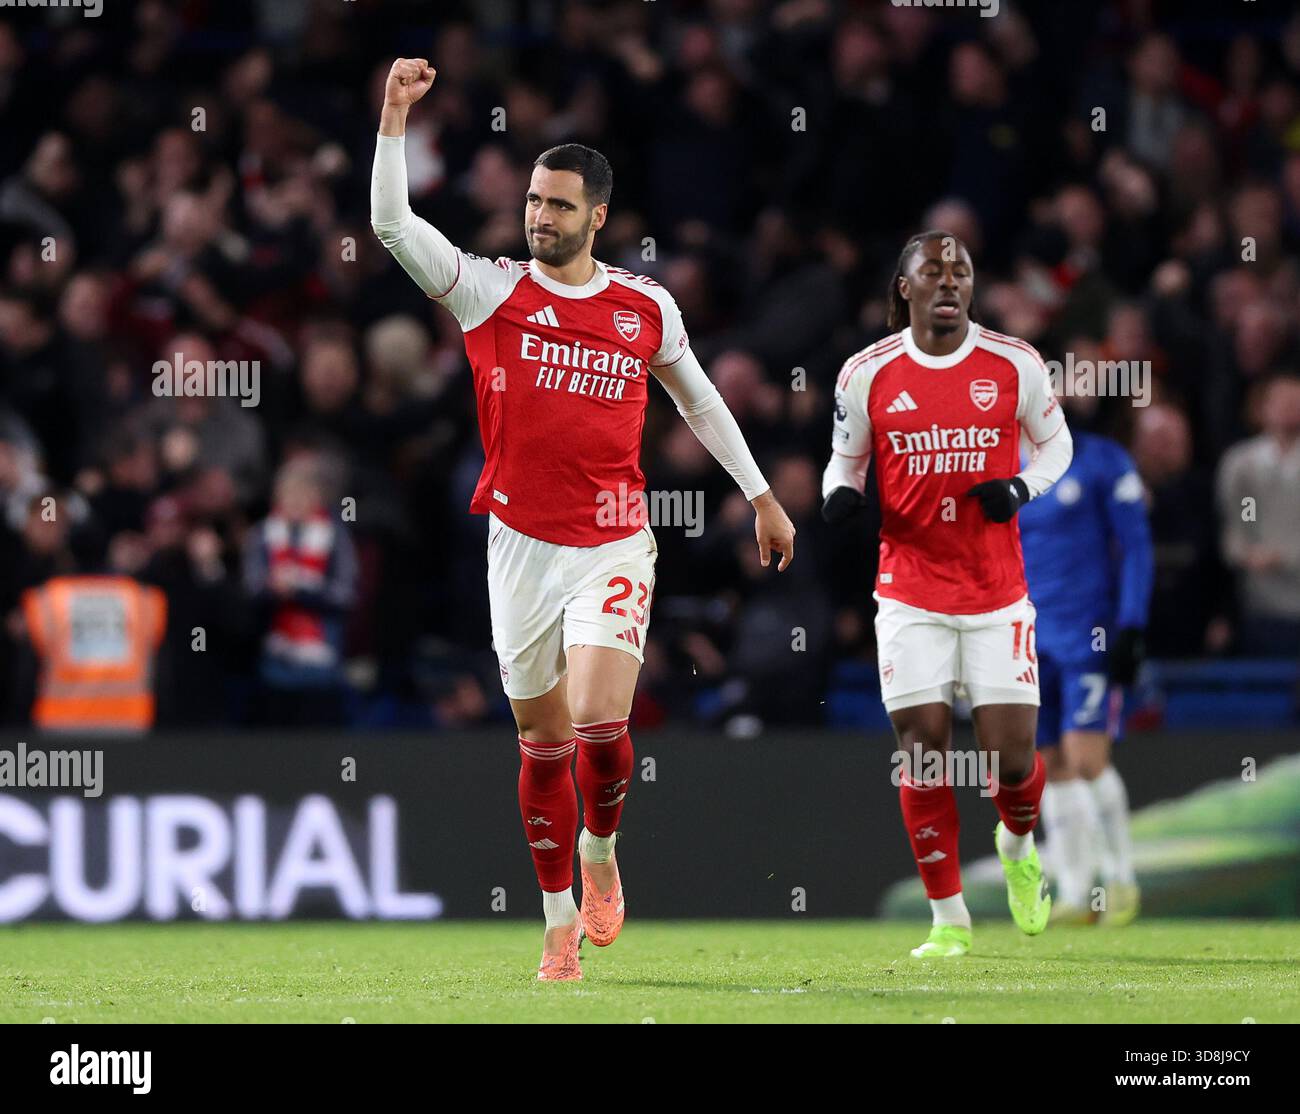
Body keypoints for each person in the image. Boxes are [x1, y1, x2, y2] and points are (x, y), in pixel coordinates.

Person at [370, 59, 795, 980]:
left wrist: (760, 494)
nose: (540, 218)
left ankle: (601, 851)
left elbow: (700, 403)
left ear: (598, 217)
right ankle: (557, 913)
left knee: (604, 729)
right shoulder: (489, 292)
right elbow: (392, 224)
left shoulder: (645, 308)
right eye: (533, 201)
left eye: (560, 207)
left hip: (612, 538)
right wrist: (396, 118)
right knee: (543, 743)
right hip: (518, 548)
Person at [822, 230, 1073, 958]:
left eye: (960, 270)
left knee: (1012, 762)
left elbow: (1057, 445)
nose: (949, 281)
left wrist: (1021, 486)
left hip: (996, 593)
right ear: (905, 287)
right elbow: (847, 462)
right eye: (932, 271)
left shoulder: (1014, 363)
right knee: (922, 746)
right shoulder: (866, 373)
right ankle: (948, 920)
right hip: (909, 590)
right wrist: (842, 497)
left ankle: (1019, 846)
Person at [1018, 415, 1154, 926]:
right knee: (1049, 765)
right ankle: (1077, 895)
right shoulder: (1005, 465)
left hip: (1088, 636)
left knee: (1087, 757)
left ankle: (1121, 880)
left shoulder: (1101, 459)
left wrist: (1132, 624)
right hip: (1028, 639)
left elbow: (1136, 545)